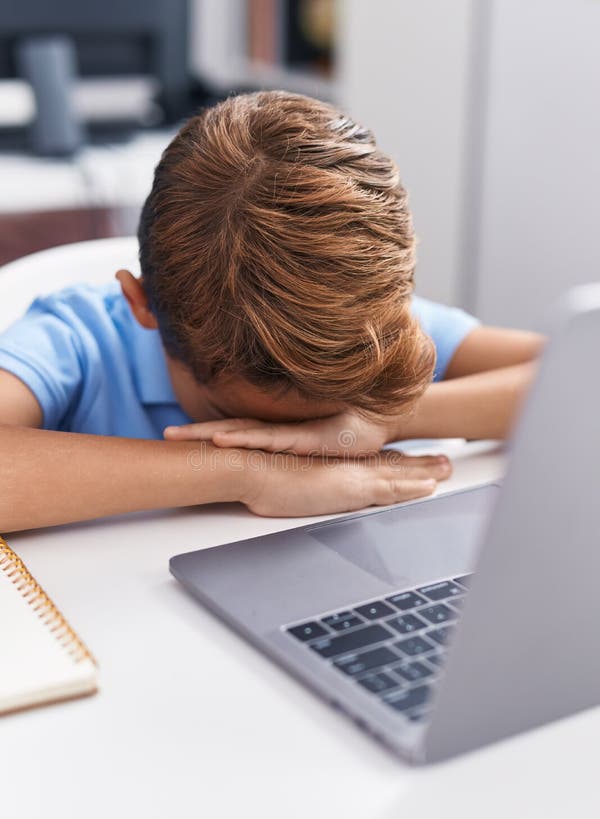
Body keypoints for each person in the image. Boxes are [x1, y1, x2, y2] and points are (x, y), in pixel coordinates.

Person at [0, 91, 542, 533]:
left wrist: (377, 421)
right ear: (141, 305)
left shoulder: (354, 321)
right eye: (238, 415)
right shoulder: (79, 340)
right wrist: (247, 471)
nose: (299, 444)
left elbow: (580, 377)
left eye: (325, 415)